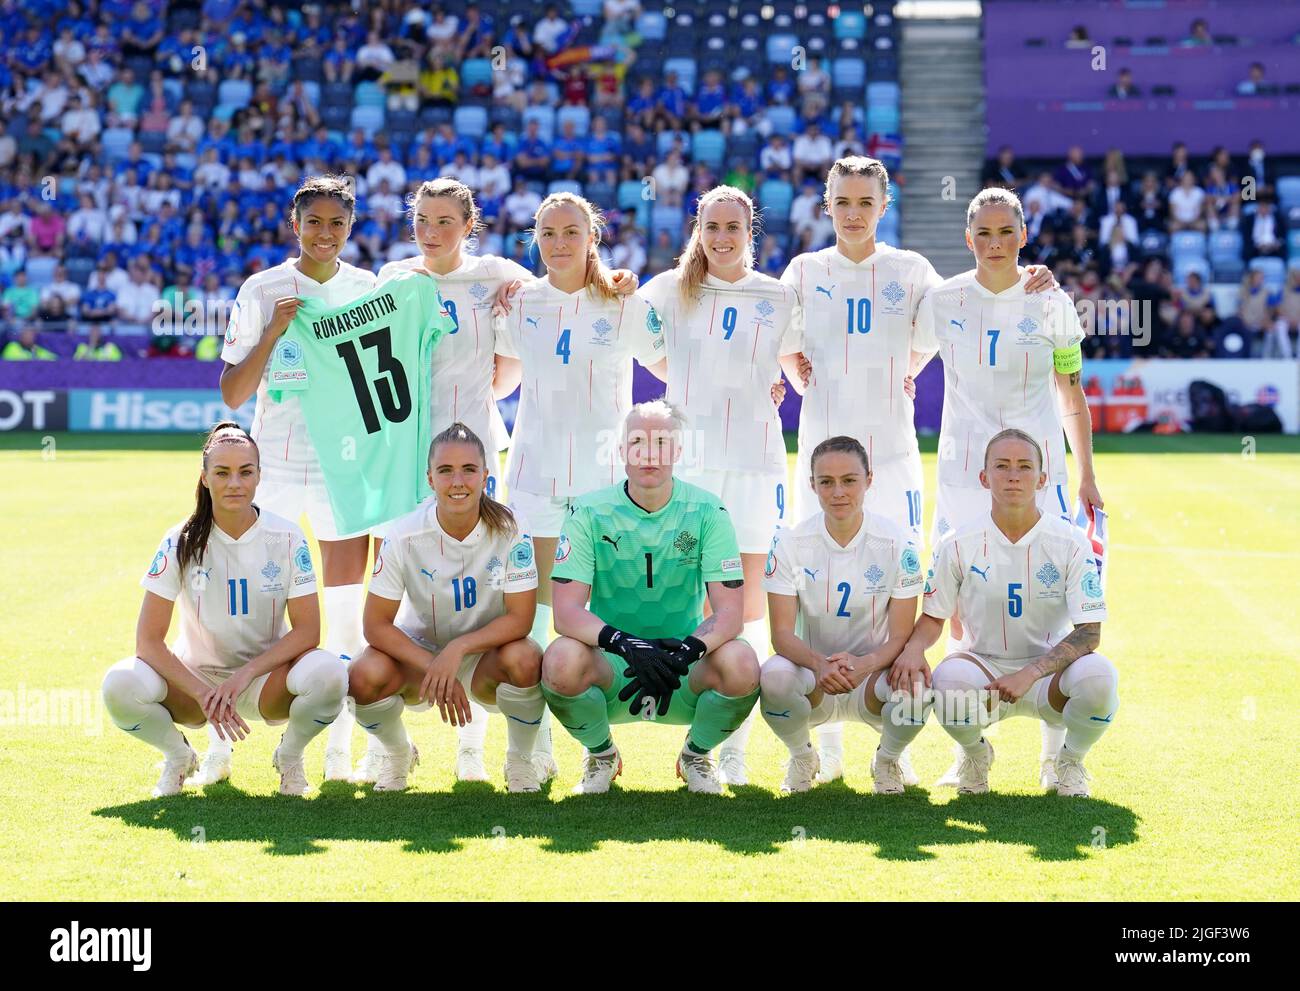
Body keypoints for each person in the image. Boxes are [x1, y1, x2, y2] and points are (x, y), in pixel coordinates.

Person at [915, 187, 1102, 786]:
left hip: (1037, 468)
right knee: (963, 612)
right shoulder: (941, 301)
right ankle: (971, 751)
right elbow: (891, 355)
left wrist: (1087, 474)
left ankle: (1056, 756)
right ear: (968, 240)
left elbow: (1071, 392)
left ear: (1023, 237)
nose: (995, 244)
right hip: (963, 472)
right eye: (984, 234)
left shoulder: (1053, 303)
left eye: (1006, 233)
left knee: (1049, 605)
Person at [215, 175, 376, 785]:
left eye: (337, 223)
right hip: (275, 471)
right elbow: (232, 390)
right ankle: (219, 749)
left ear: (351, 228)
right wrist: (274, 331)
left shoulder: (369, 290)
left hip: (343, 472)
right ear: (295, 224)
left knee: (344, 624)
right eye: (315, 222)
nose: (325, 234)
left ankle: (336, 755)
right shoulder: (263, 290)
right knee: (245, 617)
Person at [638, 185, 796, 784]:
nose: (722, 238)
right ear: (697, 230)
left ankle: (730, 748)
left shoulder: (779, 296)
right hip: (693, 467)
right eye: (711, 227)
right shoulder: (669, 291)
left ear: (749, 231)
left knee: (746, 608)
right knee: (696, 606)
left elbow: (805, 360)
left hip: (755, 465)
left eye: (733, 227)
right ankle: (692, 739)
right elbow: (614, 310)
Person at [100, 423, 347, 797]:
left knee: (330, 675)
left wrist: (244, 675)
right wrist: (202, 692)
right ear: (204, 477)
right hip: (195, 682)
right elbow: (148, 643)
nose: (235, 483)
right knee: (119, 685)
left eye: (245, 472)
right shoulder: (179, 539)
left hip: (266, 680)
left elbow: (307, 632)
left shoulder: (287, 537)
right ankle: (178, 755)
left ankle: (290, 755)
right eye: (222, 472)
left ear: (260, 476)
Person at [542, 400, 758, 794]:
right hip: (614, 667)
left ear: (678, 451)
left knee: (742, 661)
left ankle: (696, 755)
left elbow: (730, 615)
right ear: (622, 450)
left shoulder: (709, 511)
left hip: (681, 670)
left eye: (662, 442)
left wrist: (687, 652)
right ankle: (602, 755)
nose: (649, 453)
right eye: (638, 441)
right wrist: (625, 644)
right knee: (560, 659)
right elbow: (566, 613)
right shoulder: (588, 512)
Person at [891, 430, 1118, 796]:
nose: (1014, 475)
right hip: (984, 669)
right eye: (1002, 466)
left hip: (1050, 675)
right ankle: (974, 755)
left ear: (1042, 479)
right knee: (948, 685)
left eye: (1025, 467)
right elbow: (934, 616)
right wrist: (914, 649)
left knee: (1100, 678)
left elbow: (1090, 632)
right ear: (984, 477)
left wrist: (1030, 673)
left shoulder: (1070, 542)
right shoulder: (957, 544)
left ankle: (1070, 761)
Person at [493, 192, 666, 663]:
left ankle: (599, 719)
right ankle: (538, 732)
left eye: (571, 232)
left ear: (592, 238)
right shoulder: (520, 303)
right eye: (548, 233)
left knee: (603, 607)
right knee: (536, 611)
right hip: (535, 475)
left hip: (603, 478)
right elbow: (497, 378)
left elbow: (673, 366)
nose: (559, 243)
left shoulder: (622, 301)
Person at [348, 423, 549, 791]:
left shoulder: (512, 529)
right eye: (445, 471)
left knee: (527, 658)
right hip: (420, 660)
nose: (458, 481)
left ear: (486, 475)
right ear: (429, 478)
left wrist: (458, 649)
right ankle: (397, 754)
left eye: (469, 470)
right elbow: (375, 625)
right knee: (364, 674)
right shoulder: (403, 535)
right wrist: (434, 662)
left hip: (484, 658)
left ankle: (519, 761)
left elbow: (522, 618)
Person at [760, 436, 926, 793]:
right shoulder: (790, 543)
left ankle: (888, 760)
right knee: (773, 678)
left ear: (869, 480)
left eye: (849, 480)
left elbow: (900, 637)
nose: (838, 492)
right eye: (826, 482)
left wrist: (864, 665)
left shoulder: (898, 544)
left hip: (872, 677)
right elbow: (782, 636)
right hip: (812, 676)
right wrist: (820, 664)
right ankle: (803, 757)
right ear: (812, 485)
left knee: (919, 685)